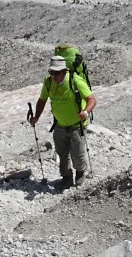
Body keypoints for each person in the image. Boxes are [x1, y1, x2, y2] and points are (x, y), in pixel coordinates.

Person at [29, 55, 96, 188]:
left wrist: (85, 112)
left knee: (78, 152)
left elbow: (91, 99)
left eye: (57, 73)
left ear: (64, 71)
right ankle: (66, 177)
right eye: (51, 72)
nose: (53, 76)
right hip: (59, 124)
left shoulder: (75, 81)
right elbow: (42, 100)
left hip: (77, 124)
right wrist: (36, 117)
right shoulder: (48, 82)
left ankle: (80, 173)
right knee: (62, 153)